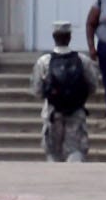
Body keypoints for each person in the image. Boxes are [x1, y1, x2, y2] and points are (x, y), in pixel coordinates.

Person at [28, 20, 101, 162]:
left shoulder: (44, 61)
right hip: (76, 111)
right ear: (69, 37)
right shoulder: (82, 60)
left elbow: (36, 90)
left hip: (52, 112)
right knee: (75, 149)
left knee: (52, 153)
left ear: (54, 37)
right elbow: (93, 86)